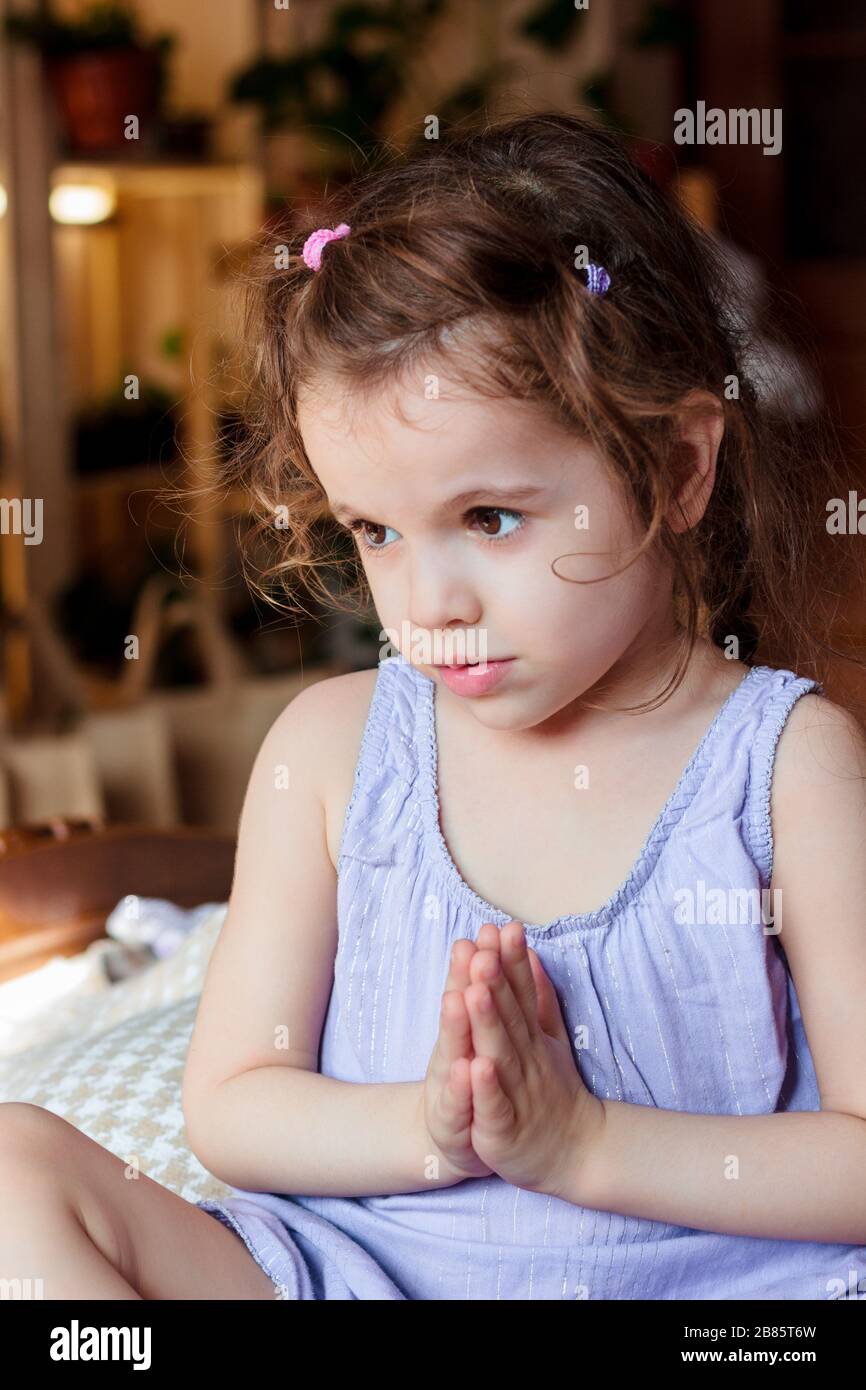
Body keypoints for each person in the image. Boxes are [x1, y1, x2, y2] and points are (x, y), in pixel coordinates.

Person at [3, 111, 866, 1301]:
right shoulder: (332, 751)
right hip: (356, 1280)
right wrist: (434, 1127)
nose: (426, 599)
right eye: (374, 531)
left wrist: (582, 1144)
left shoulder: (785, 769)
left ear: (674, 469)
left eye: (490, 518)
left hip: (701, 1300)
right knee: (10, 1169)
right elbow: (236, 1108)